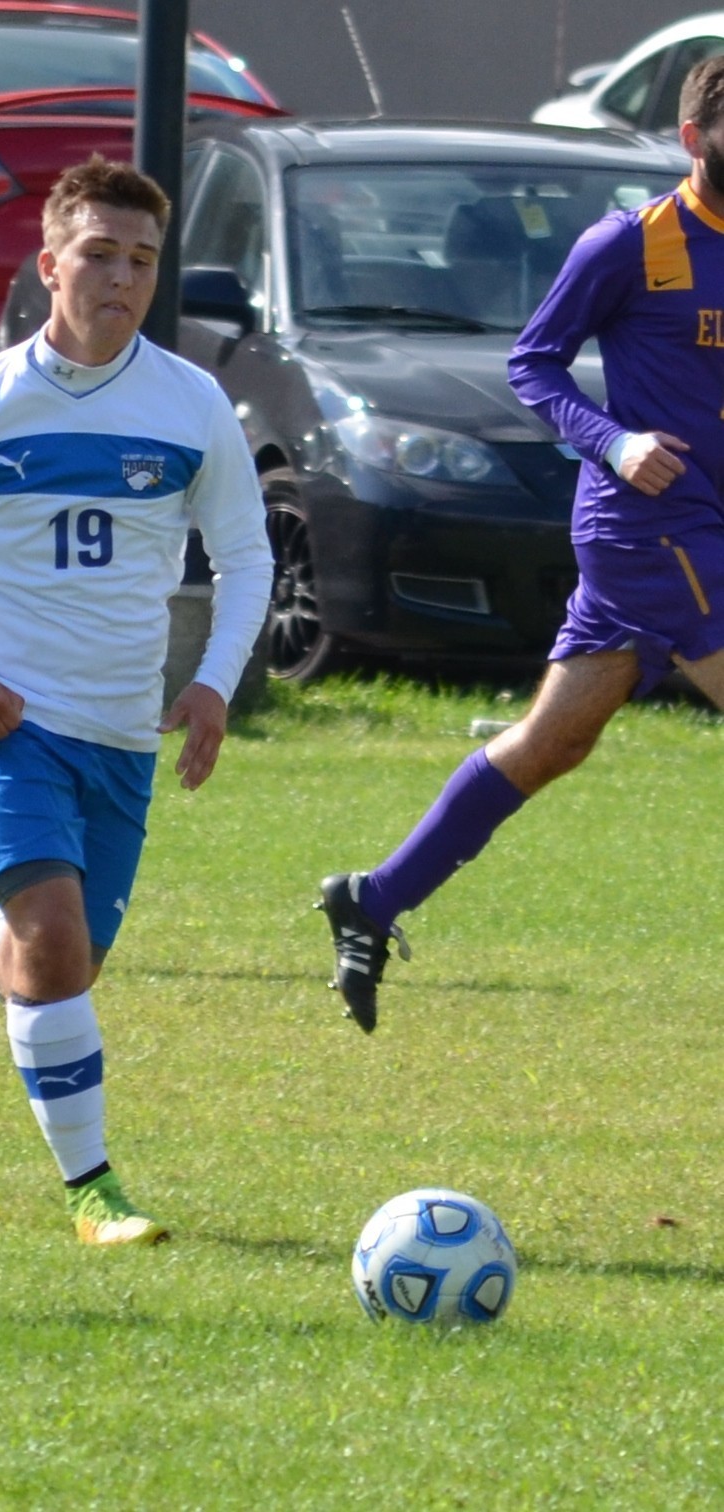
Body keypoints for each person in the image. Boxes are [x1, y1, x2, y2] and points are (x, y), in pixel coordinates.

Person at [0, 154, 272, 1243]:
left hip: (122, 733)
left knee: (55, 969)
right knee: (49, 952)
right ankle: (94, 1195)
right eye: (98, 253)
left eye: (141, 259)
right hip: (3, 724)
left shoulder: (190, 407)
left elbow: (244, 556)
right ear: (49, 265)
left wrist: (215, 683)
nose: (121, 278)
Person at [317, 54, 724, 1034]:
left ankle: (370, 901)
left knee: (550, 743)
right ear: (690, 139)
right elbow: (533, 364)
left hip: (700, 530)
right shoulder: (633, 242)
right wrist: (614, 442)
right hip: (647, 528)